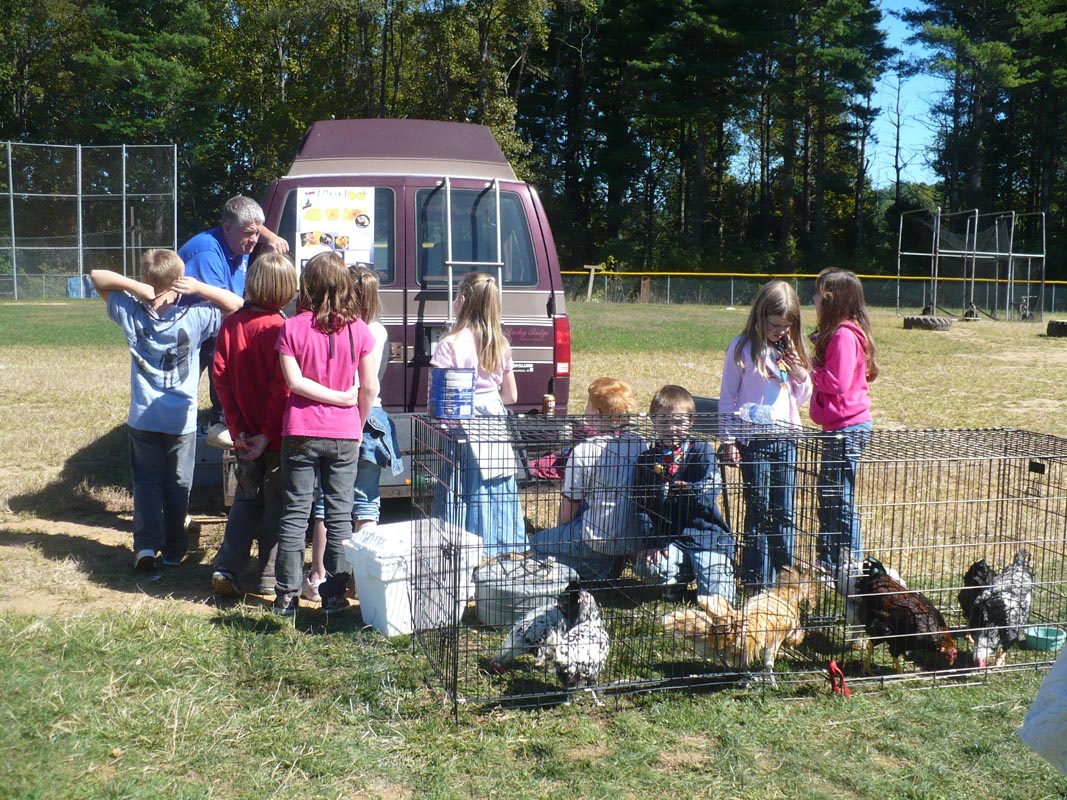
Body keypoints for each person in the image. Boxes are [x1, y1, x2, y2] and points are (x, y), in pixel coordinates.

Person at [90, 251, 242, 572]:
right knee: (178, 484)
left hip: (142, 418)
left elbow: (98, 276)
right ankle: (174, 549)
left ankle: (145, 547)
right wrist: (200, 287)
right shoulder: (196, 317)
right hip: (180, 421)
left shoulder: (130, 311)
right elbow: (235, 305)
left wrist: (141, 288)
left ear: (147, 278)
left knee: (146, 483)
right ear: (179, 282)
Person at [272, 252, 379, 616]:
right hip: (344, 433)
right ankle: (334, 596)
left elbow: (294, 382)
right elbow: (370, 387)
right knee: (340, 516)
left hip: (300, 431)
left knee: (295, 513)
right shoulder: (360, 330)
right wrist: (356, 419)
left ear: (308, 285)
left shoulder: (292, 327)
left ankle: (285, 597)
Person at [301, 266, 403, 604]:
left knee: (325, 502)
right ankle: (362, 581)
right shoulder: (379, 331)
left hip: (344, 414)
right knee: (366, 505)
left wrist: (355, 425)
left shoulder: (342, 328)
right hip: (374, 418)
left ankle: (318, 576)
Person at [209, 252, 299, 597]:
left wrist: (238, 429)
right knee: (277, 503)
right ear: (287, 289)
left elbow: (220, 378)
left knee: (246, 501)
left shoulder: (231, 324)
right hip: (275, 437)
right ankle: (267, 577)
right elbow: (283, 387)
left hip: (245, 435)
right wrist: (268, 433)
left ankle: (226, 567)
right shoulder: (281, 328)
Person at [719, 280, 812, 589]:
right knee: (758, 511)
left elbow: (800, 398)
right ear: (759, 316)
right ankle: (757, 580)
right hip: (754, 441)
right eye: (774, 325)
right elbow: (727, 397)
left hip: (786, 439)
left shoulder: (791, 349)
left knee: (785, 511)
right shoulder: (741, 348)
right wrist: (729, 439)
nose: (779, 332)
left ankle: (786, 581)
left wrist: (801, 376)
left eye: (786, 326)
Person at [178, 195, 288, 448]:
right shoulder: (207, 251)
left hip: (216, 320)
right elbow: (229, 308)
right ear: (227, 228)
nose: (253, 240)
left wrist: (269, 237)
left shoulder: (238, 239)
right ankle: (220, 423)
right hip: (192, 331)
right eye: (248, 234)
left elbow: (253, 226)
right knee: (225, 354)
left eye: (256, 233)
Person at [430, 271, 525, 558]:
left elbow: (439, 400)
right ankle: (504, 549)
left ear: (464, 300)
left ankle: (461, 553)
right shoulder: (501, 344)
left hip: (462, 428)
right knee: (496, 488)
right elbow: (511, 396)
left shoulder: (450, 343)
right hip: (494, 422)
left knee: (462, 491)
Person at [529, 377, 646, 581]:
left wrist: (559, 535)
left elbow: (569, 505)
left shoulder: (584, 450)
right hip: (630, 536)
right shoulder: (639, 443)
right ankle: (609, 562)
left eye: (588, 404)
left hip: (596, 538)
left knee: (534, 546)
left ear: (597, 413)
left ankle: (595, 570)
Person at [632, 385, 738, 603]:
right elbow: (641, 506)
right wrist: (651, 541)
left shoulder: (702, 451)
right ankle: (678, 580)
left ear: (690, 422)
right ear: (653, 420)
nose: (671, 428)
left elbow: (709, 493)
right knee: (647, 567)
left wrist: (690, 491)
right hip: (670, 538)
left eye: (679, 422)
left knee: (718, 602)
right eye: (664, 421)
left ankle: (708, 571)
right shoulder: (646, 460)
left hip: (705, 536)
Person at [809, 268, 878, 578]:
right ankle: (830, 558)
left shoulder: (844, 335)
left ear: (831, 299)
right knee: (830, 492)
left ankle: (851, 563)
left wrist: (806, 370)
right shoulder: (839, 333)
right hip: (839, 426)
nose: (813, 299)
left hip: (847, 427)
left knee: (840, 496)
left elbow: (836, 382)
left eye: (818, 293)